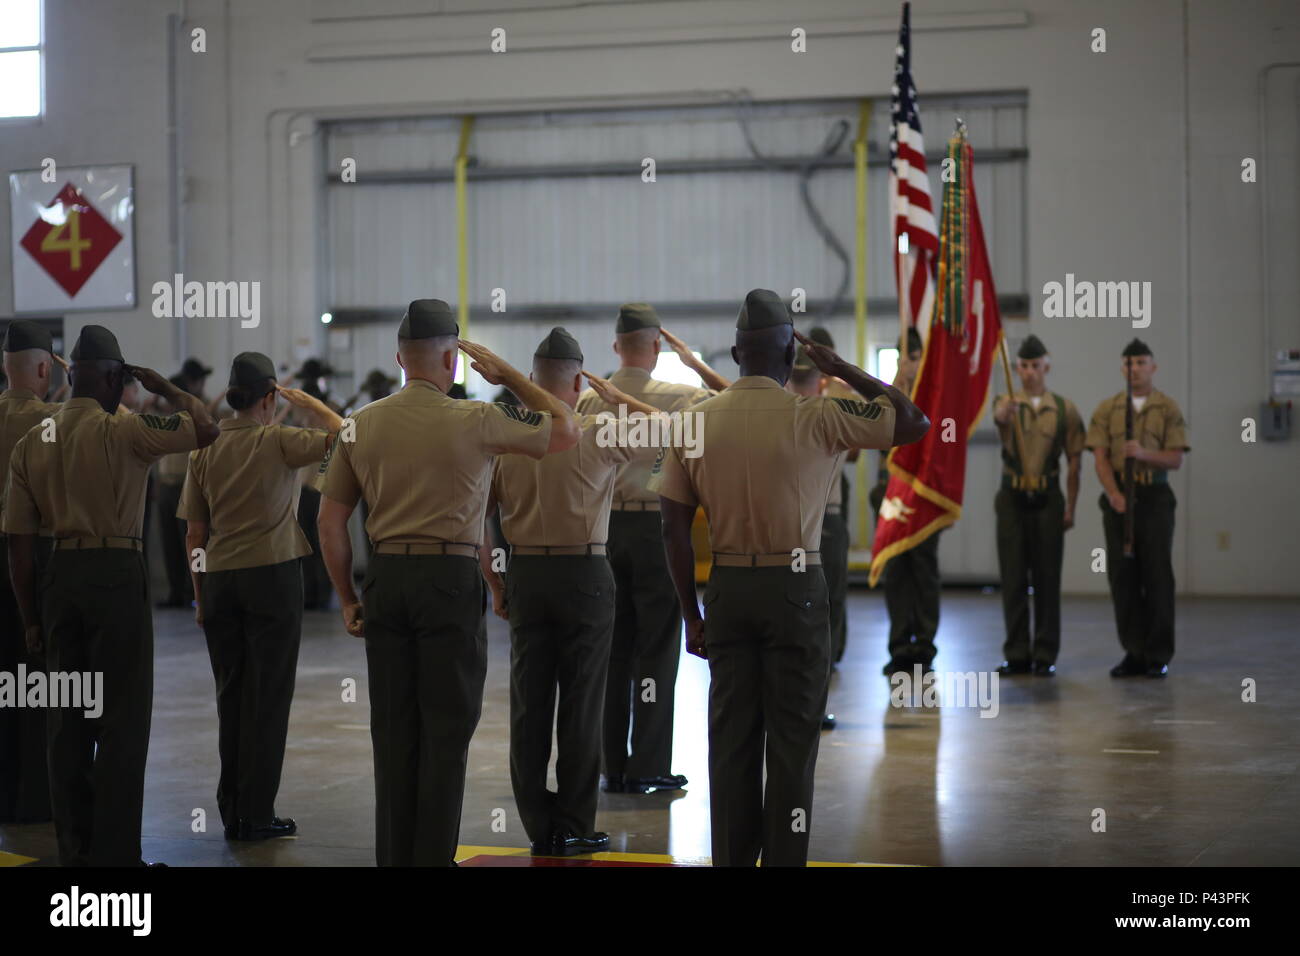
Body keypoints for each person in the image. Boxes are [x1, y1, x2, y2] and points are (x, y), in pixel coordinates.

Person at [651, 290, 929, 866]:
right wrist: (843, 369)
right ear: (790, 358)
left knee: (730, 745)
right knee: (793, 744)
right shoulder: (821, 415)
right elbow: (913, 422)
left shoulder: (693, 423)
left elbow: (673, 531)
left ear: (734, 353)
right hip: (797, 592)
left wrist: (690, 614)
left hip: (728, 591)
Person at [316, 299, 580, 867]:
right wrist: (509, 375)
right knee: (445, 731)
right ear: (451, 359)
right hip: (448, 582)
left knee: (393, 731)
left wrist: (347, 598)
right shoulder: (476, 418)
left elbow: (329, 522)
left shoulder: (361, 424)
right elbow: (566, 428)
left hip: (385, 580)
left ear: (398, 359)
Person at [3, 325, 219, 866]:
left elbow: (20, 548)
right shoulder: (129, 432)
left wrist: (31, 618)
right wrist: (164, 386)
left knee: (67, 726)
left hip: (60, 579)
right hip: (117, 577)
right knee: (122, 724)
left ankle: (75, 855)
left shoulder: (34, 442)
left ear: (70, 374)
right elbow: (207, 427)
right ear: (113, 376)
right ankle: (118, 860)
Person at [482, 327, 662, 855]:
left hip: (527, 575)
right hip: (585, 576)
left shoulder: (506, 435)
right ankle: (575, 824)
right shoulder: (599, 429)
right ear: (579, 379)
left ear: (532, 378)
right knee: (582, 704)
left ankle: (540, 824)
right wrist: (620, 396)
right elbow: (672, 432)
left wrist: (495, 579)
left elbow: (479, 516)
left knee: (529, 704)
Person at [177, 352, 342, 842]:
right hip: (270, 577)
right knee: (268, 698)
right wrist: (309, 402)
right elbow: (346, 433)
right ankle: (257, 812)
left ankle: (231, 809)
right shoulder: (279, 441)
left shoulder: (203, 448)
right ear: (270, 399)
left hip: (222, 579)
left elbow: (194, 534)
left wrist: (200, 596)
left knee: (232, 696)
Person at [574, 302, 727, 795]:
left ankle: (611, 765)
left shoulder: (589, 400)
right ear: (657, 347)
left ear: (617, 346)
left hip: (603, 533)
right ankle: (649, 766)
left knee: (612, 652)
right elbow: (731, 404)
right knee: (656, 652)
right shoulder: (682, 398)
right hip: (657, 531)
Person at [1086, 338, 1189, 678]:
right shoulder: (1107, 409)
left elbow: (1174, 459)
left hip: (1154, 499)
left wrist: (1142, 454)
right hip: (1120, 500)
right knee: (1122, 576)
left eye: (1142, 363)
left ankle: (1158, 654)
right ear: (1122, 368)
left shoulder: (1168, 408)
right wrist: (1114, 493)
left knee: (1157, 575)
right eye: (1130, 364)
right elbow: (1100, 458)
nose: (1136, 370)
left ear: (1153, 367)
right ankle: (1133, 650)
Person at [992, 335, 1086, 676]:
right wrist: (1004, 414)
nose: (1030, 372)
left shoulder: (1064, 409)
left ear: (1046, 366)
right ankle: (1017, 652)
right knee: (1013, 577)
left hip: (1048, 498)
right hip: (1012, 499)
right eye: (1024, 365)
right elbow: (999, 417)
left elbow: (1076, 462)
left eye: (1036, 365)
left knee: (1047, 578)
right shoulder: (1006, 402)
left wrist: (1071, 507)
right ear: (1016, 368)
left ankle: (1045, 653)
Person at [0, 321, 63, 824]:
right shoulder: (54, 422)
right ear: (46, 367)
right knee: (35, 683)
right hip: (35, 560)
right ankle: (37, 800)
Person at [871, 329, 942, 676]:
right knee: (896, 571)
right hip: (892, 496)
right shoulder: (888, 394)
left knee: (924, 572)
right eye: (902, 357)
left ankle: (924, 646)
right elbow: (878, 428)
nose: (907, 364)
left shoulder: (935, 398)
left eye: (912, 358)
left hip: (924, 497)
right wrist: (899, 380)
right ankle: (900, 646)